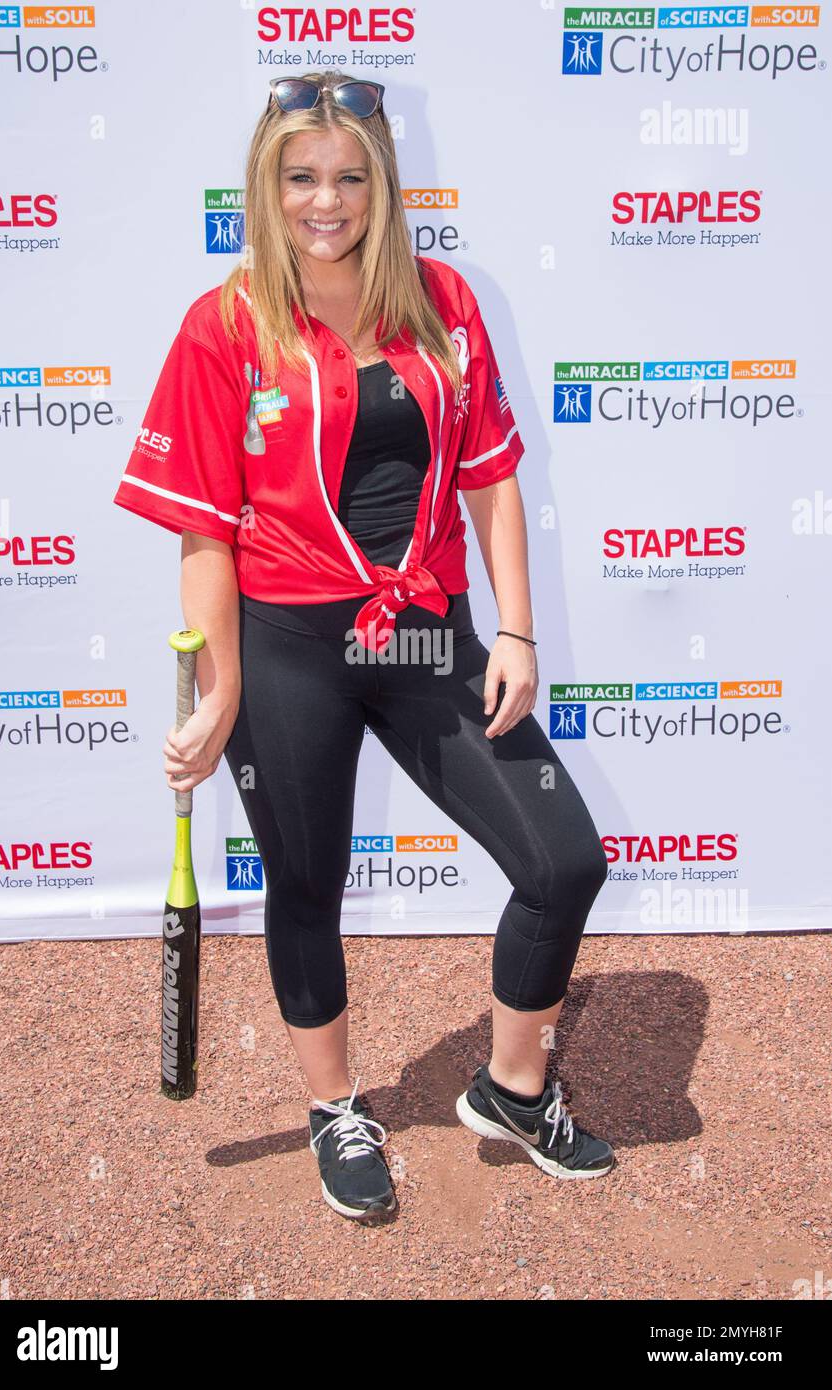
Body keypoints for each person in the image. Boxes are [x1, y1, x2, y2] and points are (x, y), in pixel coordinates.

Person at [113, 71, 614, 1224]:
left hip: (427, 636)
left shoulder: (444, 298)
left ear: (384, 183)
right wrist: (223, 687)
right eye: (301, 177)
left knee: (560, 859)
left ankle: (511, 1087)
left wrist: (517, 629)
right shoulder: (223, 324)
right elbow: (204, 525)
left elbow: (492, 471)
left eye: (349, 177)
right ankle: (337, 1105)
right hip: (288, 643)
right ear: (267, 183)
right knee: (304, 884)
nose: (325, 201)